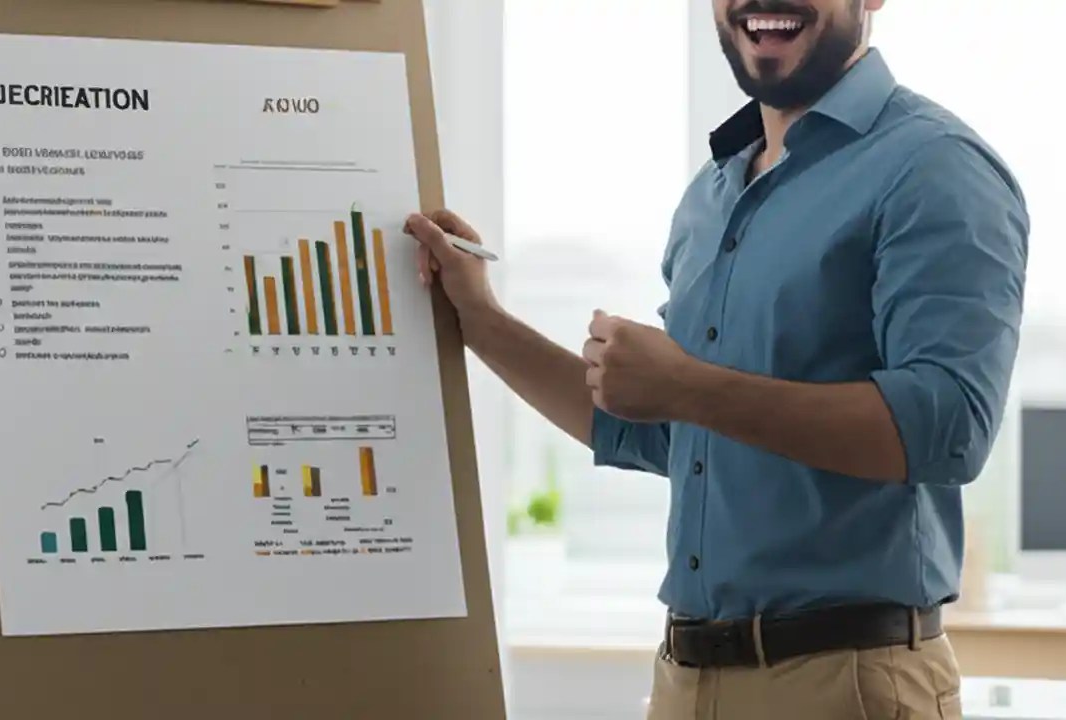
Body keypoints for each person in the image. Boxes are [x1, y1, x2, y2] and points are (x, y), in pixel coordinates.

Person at [406, 0, 1028, 717]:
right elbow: (662, 432)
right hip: (684, 679)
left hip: (846, 685)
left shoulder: (935, 166)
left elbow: (948, 427)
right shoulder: (714, 192)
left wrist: (688, 388)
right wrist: (479, 321)